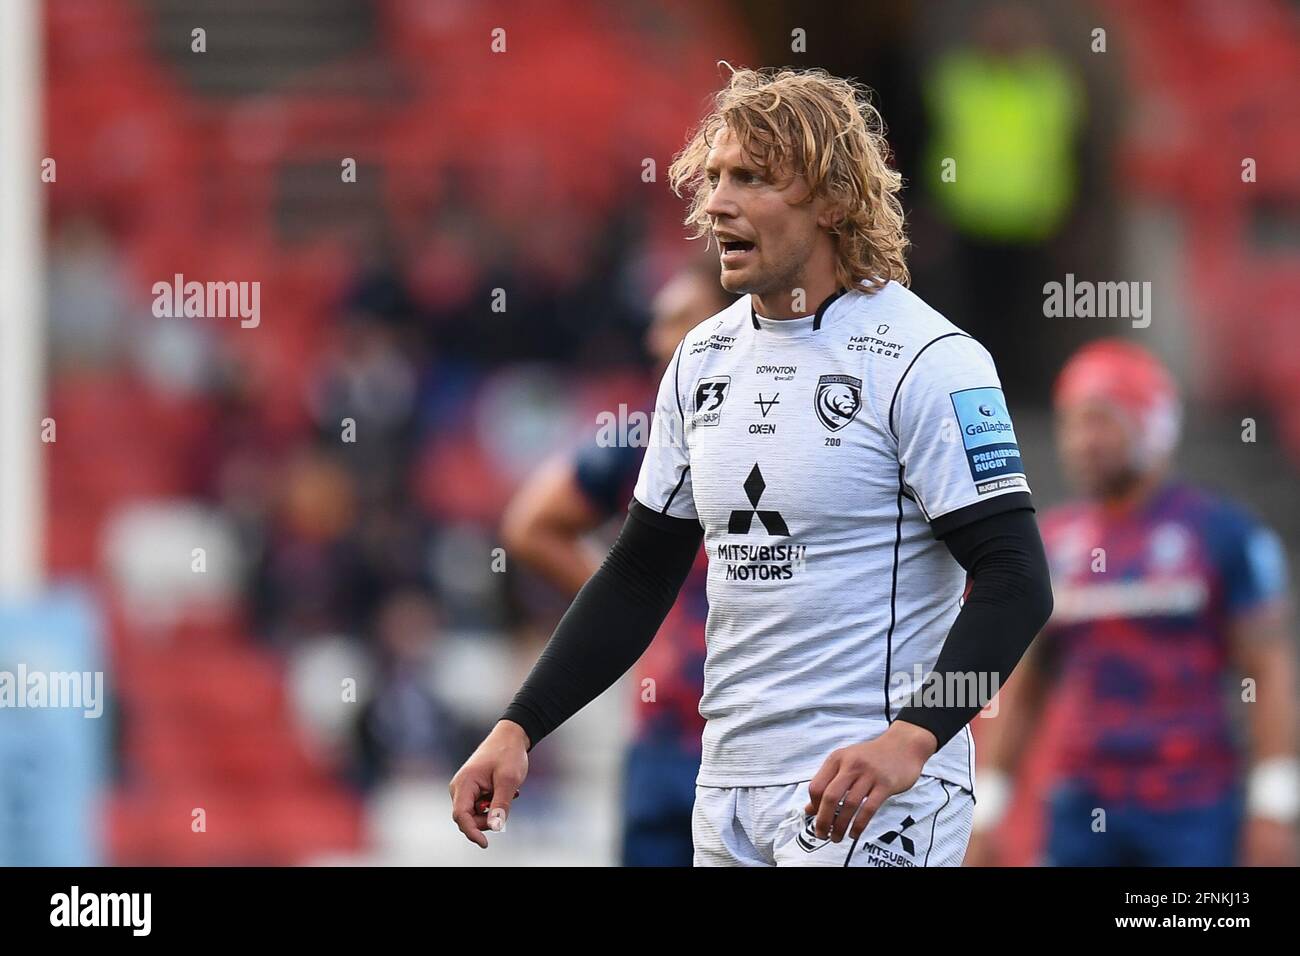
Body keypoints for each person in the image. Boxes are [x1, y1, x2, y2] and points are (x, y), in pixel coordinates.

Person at [450, 66, 1053, 866]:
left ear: (833, 199)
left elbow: (1016, 577)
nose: (717, 203)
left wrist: (914, 738)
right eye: (716, 178)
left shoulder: (929, 359)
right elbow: (637, 575)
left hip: (867, 792)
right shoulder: (702, 360)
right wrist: (519, 726)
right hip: (727, 787)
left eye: (754, 179)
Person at [966, 340, 1298, 866]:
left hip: (1192, 803)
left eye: (1100, 420)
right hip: (1081, 800)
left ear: (1152, 425)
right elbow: (1023, 686)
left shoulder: (1221, 533)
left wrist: (1275, 804)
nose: (1081, 441)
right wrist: (985, 811)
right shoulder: (1052, 545)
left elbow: (1269, 672)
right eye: (1071, 422)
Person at [499, 261, 728, 865]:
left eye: (678, 320)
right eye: (656, 323)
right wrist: (647, 614)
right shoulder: (649, 433)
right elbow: (531, 525)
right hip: (665, 736)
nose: (658, 340)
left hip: (761, 740)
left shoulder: (800, 433)